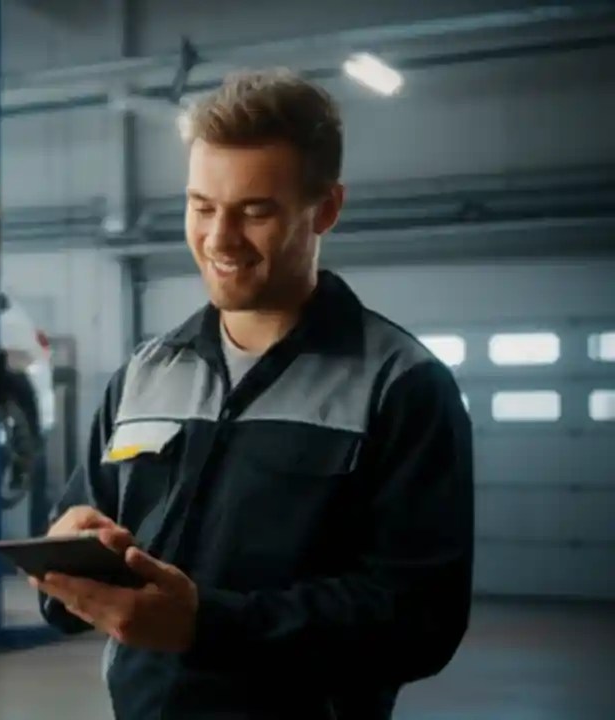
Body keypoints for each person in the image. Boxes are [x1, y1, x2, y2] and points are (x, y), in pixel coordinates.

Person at [33, 68, 473, 719]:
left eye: (255, 211)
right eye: (202, 206)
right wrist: (64, 564)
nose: (219, 238)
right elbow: (79, 540)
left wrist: (206, 624)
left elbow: (420, 618)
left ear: (325, 209)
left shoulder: (401, 386)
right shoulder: (146, 374)